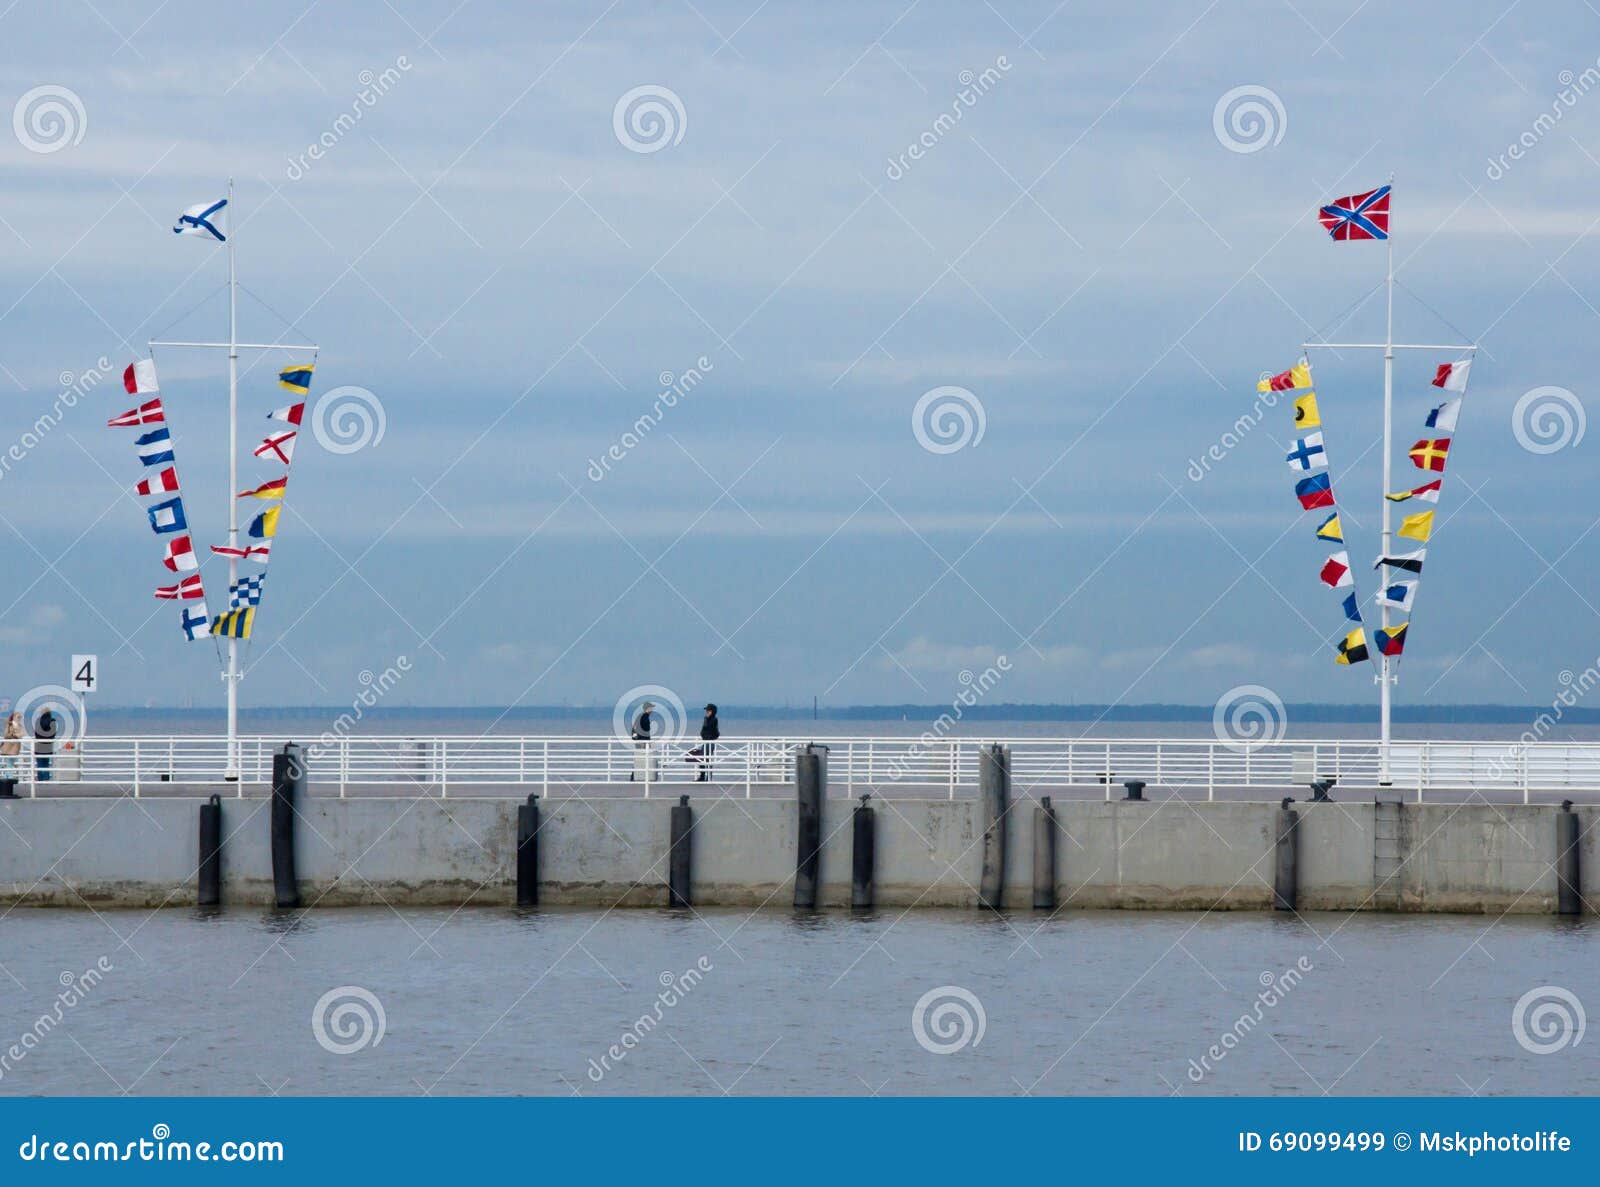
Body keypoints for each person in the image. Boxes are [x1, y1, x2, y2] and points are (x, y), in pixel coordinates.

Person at [692, 703, 719, 782]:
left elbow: (710, 729)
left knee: (707, 759)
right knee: (702, 759)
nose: (707, 712)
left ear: (712, 711)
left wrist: (706, 720)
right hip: (705, 741)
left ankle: (708, 777)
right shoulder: (706, 719)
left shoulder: (714, 720)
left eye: (708, 710)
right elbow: (703, 730)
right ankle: (703, 776)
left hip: (710, 742)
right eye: (706, 710)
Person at [628, 701, 654, 782]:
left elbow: (636, 727)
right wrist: (647, 741)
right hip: (642, 741)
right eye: (651, 708)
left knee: (639, 759)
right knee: (643, 758)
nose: (652, 709)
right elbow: (644, 729)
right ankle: (636, 777)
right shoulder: (644, 716)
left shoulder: (641, 716)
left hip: (639, 740)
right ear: (647, 708)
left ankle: (635, 776)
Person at [0, 712, 21, 794]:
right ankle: (8, 778)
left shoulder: (19, 726)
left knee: (11, 762)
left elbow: (22, 734)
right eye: (18, 717)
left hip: (14, 747)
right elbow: (6, 735)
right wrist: (13, 734)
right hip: (9, 747)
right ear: (14, 718)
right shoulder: (9, 725)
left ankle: (8, 777)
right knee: (9, 763)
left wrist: (17, 735)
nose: (19, 719)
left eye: (20, 717)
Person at [34, 709, 56, 782]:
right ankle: (46, 779)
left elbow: (36, 732)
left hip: (39, 744)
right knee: (46, 763)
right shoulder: (52, 721)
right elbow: (53, 733)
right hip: (48, 745)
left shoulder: (38, 721)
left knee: (39, 763)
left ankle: (40, 778)